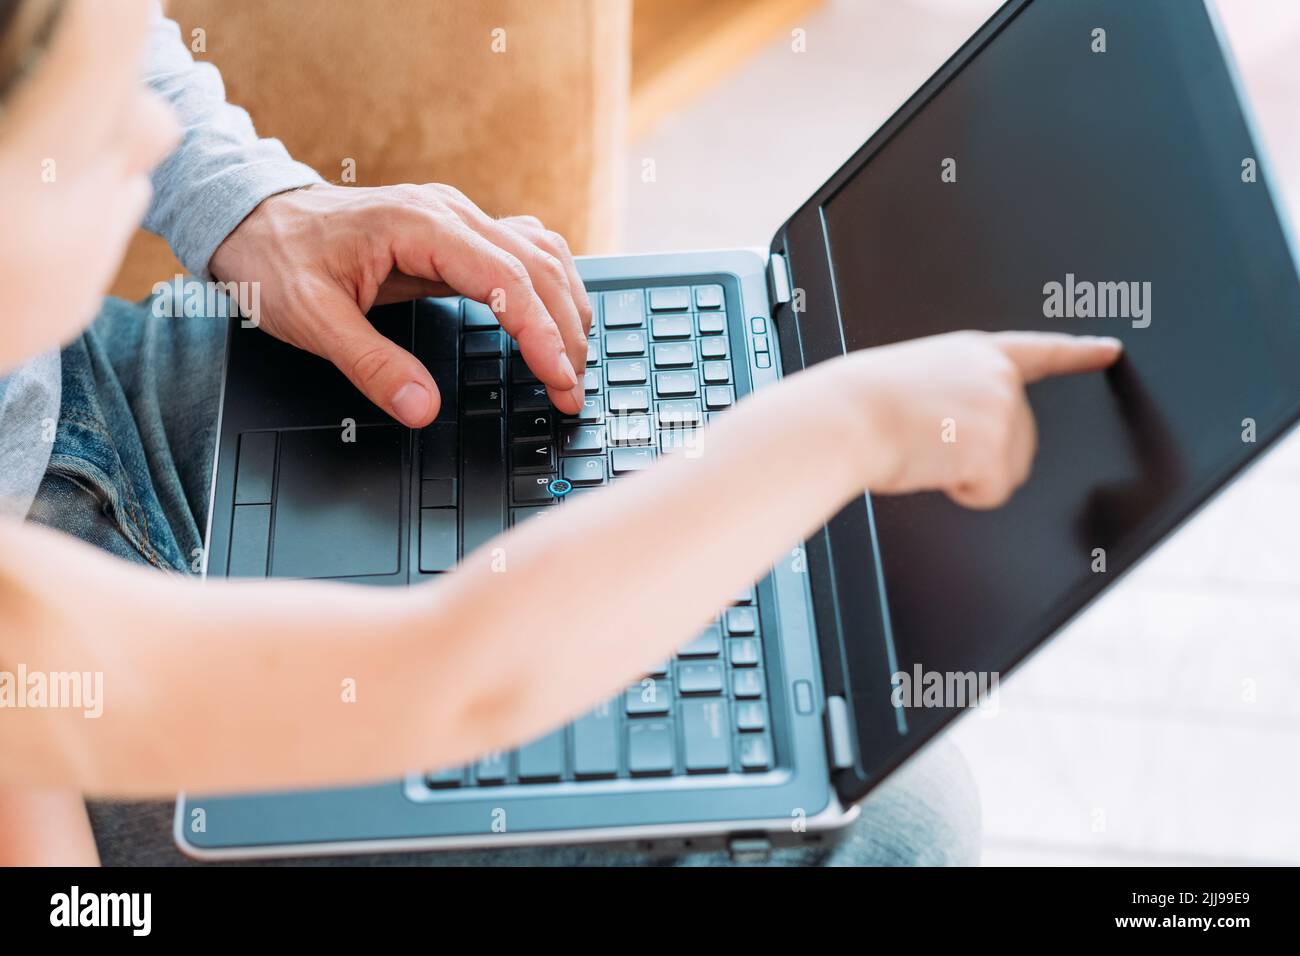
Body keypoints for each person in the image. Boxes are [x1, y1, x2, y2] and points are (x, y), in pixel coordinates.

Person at [0, 0, 1121, 866]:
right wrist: (845, 422)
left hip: (77, 389)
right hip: (64, 604)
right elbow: (456, 674)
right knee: (894, 830)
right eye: (90, 122)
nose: (148, 131)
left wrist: (248, 203)